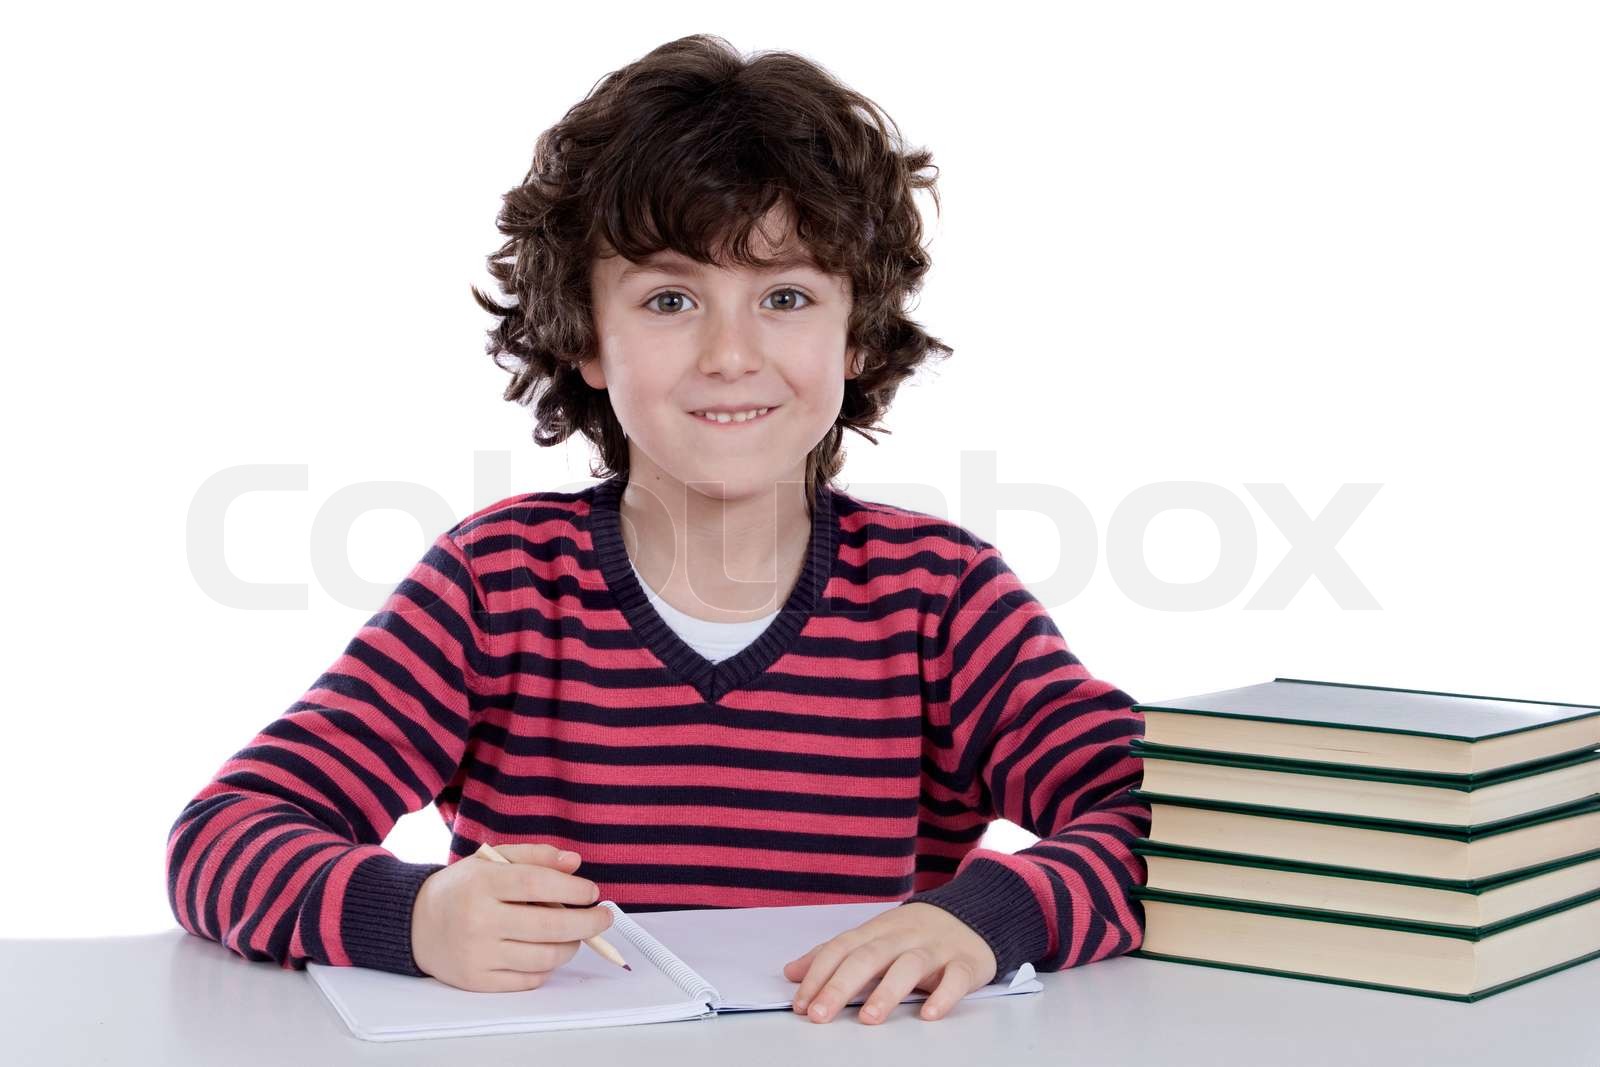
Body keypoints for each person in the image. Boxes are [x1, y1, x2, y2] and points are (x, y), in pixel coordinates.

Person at [165, 33, 1150, 1026]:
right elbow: (222, 837)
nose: (731, 352)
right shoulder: (498, 582)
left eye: (786, 296)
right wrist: (414, 914)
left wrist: (985, 918)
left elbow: (1179, 829)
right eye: (671, 298)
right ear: (586, 336)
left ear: (855, 334)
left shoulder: (940, 596)